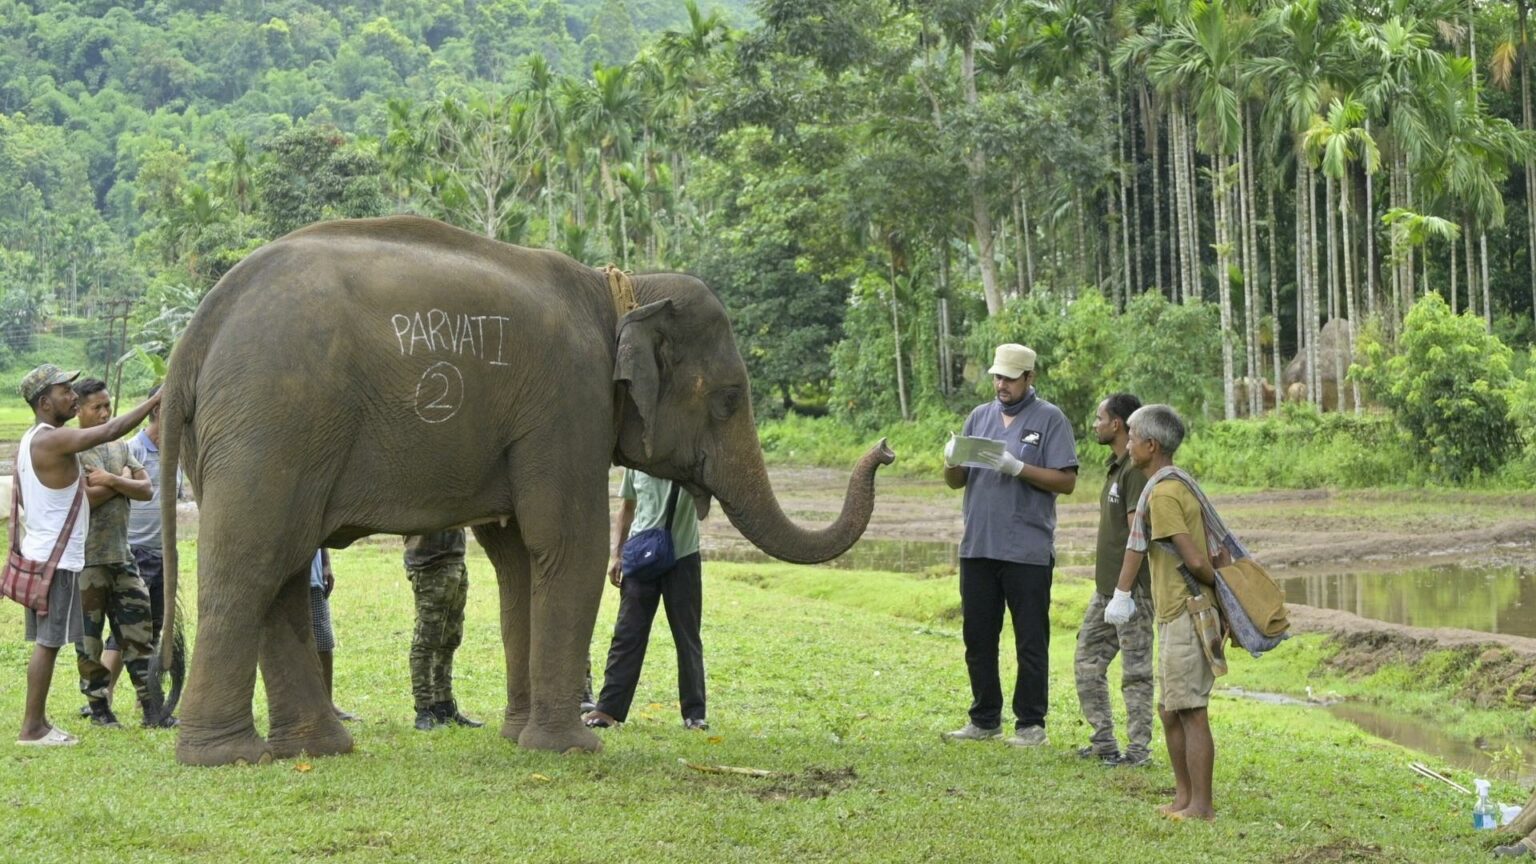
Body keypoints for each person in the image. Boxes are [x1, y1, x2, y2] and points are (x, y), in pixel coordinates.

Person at [14, 364, 159, 745]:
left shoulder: (33, 439)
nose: (72, 396)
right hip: (58, 559)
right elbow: (111, 432)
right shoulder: (53, 439)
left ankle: (38, 724)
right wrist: (156, 400)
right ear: (45, 403)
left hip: (47, 555)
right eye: (64, 391)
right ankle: (33, 728)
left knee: (49, 643)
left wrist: (110, 480)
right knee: (49, 644)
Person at [941, 344, 1077, 747]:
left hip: (1026, 550)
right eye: (998, 377)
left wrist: (1018, 467)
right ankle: (984, 719)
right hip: (978, 545)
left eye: (1010, 379)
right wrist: (951, 461)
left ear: (1029, 378)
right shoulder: (979, 417)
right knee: (978, 637)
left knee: (1030, 641)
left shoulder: (1050, 419)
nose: (1002, 385)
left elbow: (1067, 481)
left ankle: (1031, 724)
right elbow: (956, 482)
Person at [1104, 404, 1222, 821]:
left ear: (1151, 445)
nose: (1128, 444)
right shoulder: (1167, 485)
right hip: (1173, 613)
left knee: (1190, 710)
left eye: (1133, 437)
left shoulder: (1165, 494)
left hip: (1184, 612)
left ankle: (1200, 806)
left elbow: (1195, 559)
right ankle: (1183, 798)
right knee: (1170, 710)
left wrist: (1213, 586)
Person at [71, 378, 172, 729]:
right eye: (96, 407)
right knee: (89, 642)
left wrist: (111, 481)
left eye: (107, 406)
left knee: (140, 634)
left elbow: (146, 489)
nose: (104, 413)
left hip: (123, 557)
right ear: (79, 410)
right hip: (88, 561)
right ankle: (99, 709)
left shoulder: (118, 446)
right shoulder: (74, 450)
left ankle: (152, 708)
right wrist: (124, 481)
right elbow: (84, 499)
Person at [583, 469, 708, 731]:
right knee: (627, 634)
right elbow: (627, 508)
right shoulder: (635, 464)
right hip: (641, 556)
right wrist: (617, 555)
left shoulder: (687, 461)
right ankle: (607, 710)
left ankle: (695, 714)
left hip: (682, 557)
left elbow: (705, 504)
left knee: (687, 637)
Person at [1073, 393, 1153, 767]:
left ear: (1117, 423)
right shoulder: (1115, 468)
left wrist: (1125, 592)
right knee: (1087, 661)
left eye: (1099, 418)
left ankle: (1138, 751)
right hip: (1106, 591)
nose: (1095, 424)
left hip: (1132, 592)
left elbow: (1139, 533)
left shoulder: (1134, 472)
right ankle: (1103, 742)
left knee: (1136, 673)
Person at [404, 530, 482, 730]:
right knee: (426, 640)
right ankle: (424, 710)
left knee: (450, 639)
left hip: (455, 561)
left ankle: (444, 705)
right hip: (430, 565)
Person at [309, 549, 358, 722]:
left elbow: (318, 534)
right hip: (284, 579)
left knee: (323, 640)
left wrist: (326, 563)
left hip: (313, 578)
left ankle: (327, 705)